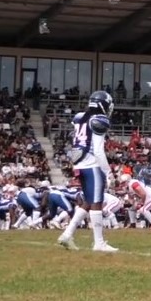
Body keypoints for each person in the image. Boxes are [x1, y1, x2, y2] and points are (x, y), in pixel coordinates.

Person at [56, 90, 119, 253]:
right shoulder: (99, 119)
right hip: (92, 163)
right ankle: (99, 243)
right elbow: (98, 150)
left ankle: (67, 234)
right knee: (97, 202)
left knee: (89, 201)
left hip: (79, 162)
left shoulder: (79, 117)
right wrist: (107, 171)